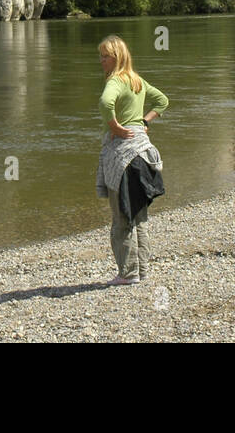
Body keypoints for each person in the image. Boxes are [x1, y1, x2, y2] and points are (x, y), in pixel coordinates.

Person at [94, 35, 168, 286]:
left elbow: (105, 103)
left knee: (121, 219)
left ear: (117, 57)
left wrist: (114, 126)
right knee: (139, 217)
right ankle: (142, 271)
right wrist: (145, 121)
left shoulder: (116, 80)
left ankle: (128, 273)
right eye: (101, 56)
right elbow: (162, 101)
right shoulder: (137, 80)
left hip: (124, 157)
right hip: (144, 155)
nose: (101, 61)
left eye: (105, 56)